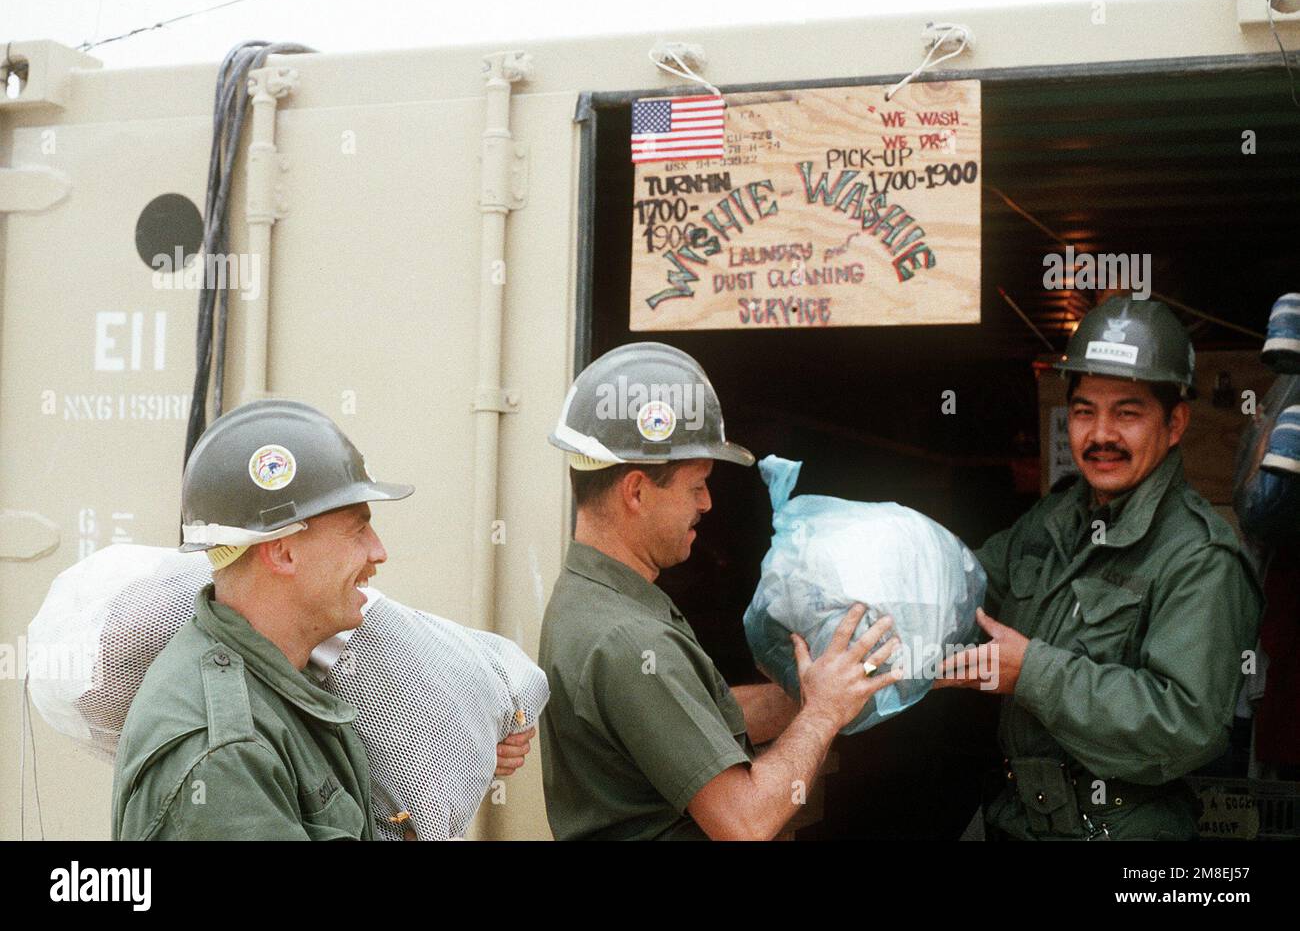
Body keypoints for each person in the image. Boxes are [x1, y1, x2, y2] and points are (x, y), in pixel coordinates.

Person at [111, 399, 532, 839]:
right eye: (357, 528)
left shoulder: (284, 680)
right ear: (283, 551)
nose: (378, 551)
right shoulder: (224, 756)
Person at [539, 342, 902, 840]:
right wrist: (822, 712)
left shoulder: (596, 598)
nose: (708, 503)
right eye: (696, 486)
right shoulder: (628, 640)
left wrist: (822, 689)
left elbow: (694, 720)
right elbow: (744, 822)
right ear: (637, 491)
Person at [937, 295, 1264, 840]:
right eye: (1085, 410)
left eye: (1127, 412)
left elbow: (1187, 725)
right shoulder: (1053, 518)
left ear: (1176, 422)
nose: (1101, 434)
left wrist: (1033, 674)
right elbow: (961, 586)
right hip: (1016, 817)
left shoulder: (1200, 557)